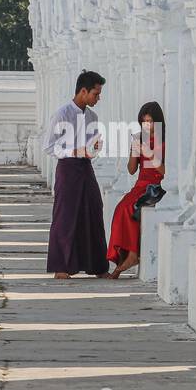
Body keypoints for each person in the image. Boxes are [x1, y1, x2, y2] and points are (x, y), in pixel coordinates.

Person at [43, 70, 110, 279]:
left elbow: (91, 146)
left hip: (85, 167)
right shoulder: (62, 114)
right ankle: (62, 267)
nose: (98, 98)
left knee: (94, 210)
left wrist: (95, 148)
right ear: (83, 91)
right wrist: (72, 151)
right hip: (67, 167)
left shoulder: (92, 116)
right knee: (65, 216)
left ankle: (98, 266)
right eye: (96, 94)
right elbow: (48, 147)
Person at [107, 102, 165, 280]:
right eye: (144, 122)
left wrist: (149, 153)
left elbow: (164, 171)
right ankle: (124, 256)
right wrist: (134, 150)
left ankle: (133, 255)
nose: (147, 126)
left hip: (156, 185)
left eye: (150, 122)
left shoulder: (164, 141)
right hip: (140, 184)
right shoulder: (140, 139)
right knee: (120, 209)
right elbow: (132, 170)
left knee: (132, 209)